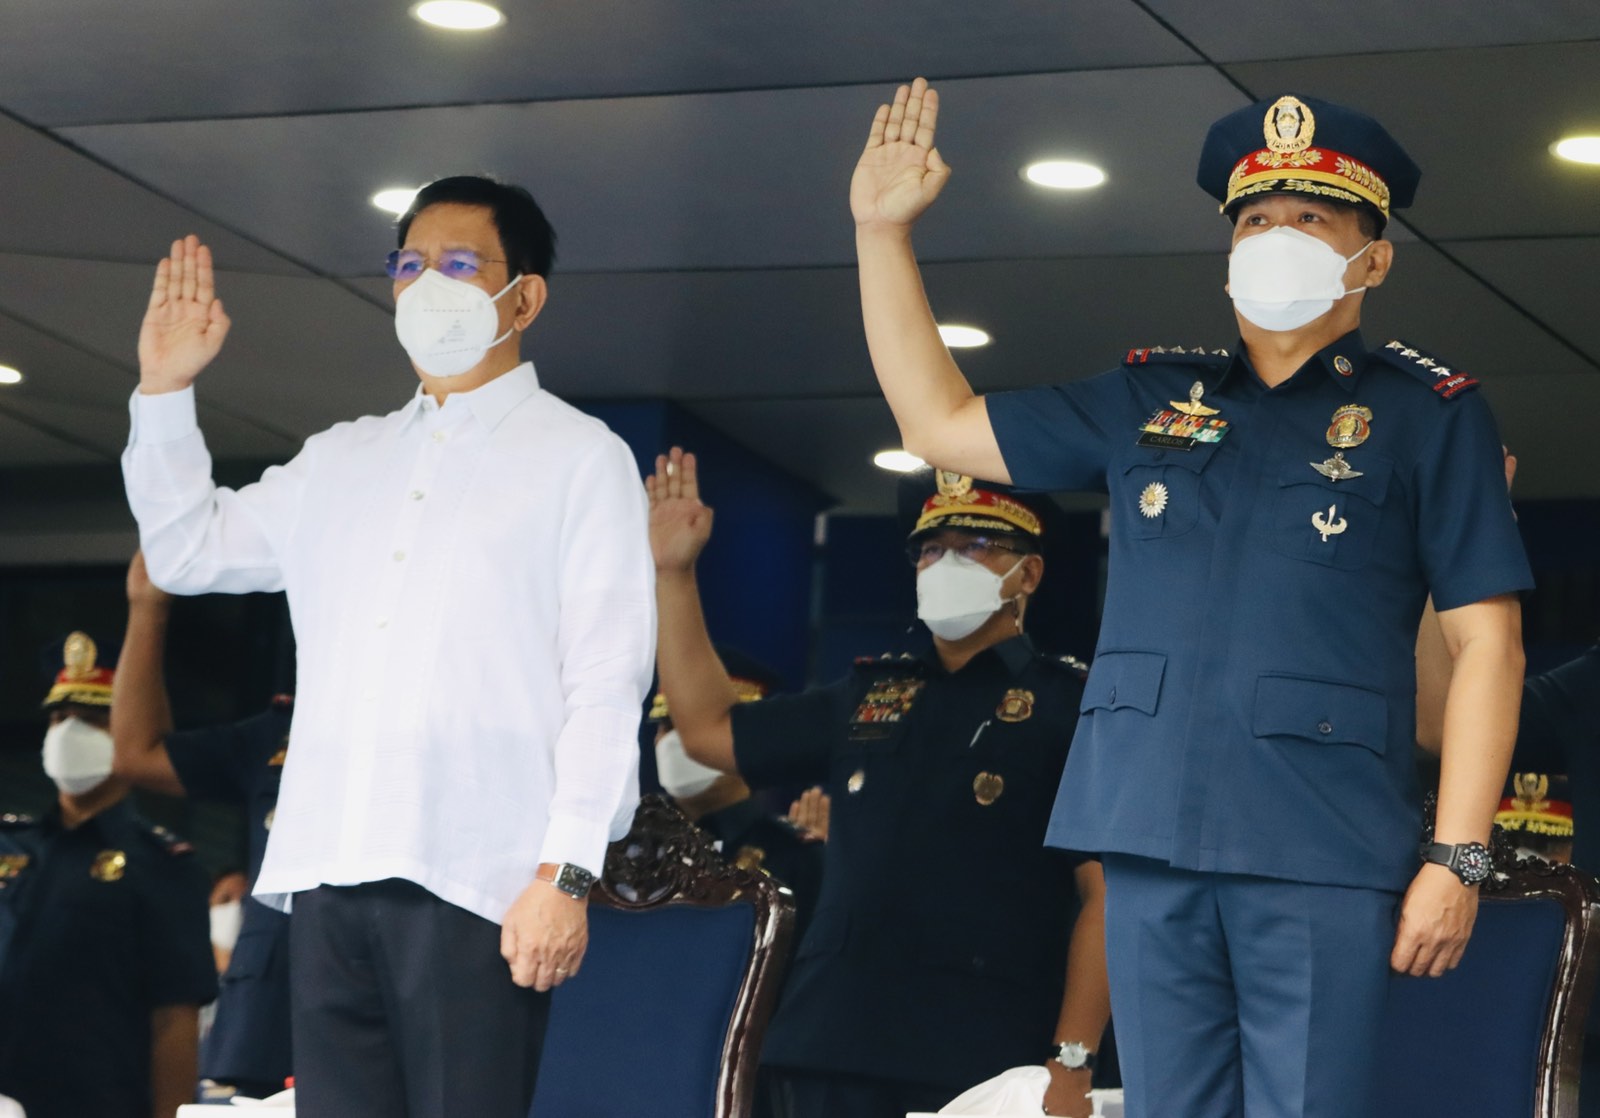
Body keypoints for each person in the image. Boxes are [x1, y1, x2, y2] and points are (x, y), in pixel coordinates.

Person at [849, 80, 1531, 1118]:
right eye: (1255, 219)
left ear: (1373, 257)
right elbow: (940, 421)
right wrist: (879, 235)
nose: (1276, 237)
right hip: (1147, 830)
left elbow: (1488, 645)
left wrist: (1458, 853)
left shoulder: (1427, 416)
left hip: (1318, 844)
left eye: (1310, 218)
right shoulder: (1147, 399)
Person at [122, 175, 656, 1118]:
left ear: (523, 297)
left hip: (478, 878)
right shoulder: (341, 458)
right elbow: (186, 549)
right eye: (410, 265)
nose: (427, 285)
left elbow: (608, 683)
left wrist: (565, 873)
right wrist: (165, 393)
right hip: (327, 866)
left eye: (460, 264)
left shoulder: (580, 456)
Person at [651, 448, 1110, 1118]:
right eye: (931, 550)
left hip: (978, 1052)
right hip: (826, 1042)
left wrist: (1073, 1063)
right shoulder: (867, 694)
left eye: (976, 545)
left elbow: (1105, 898)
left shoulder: (1073, 706)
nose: (945, 564)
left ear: (1028, 572)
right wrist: (675, 573)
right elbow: (707, 730)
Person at [0, 633, 217, 1118]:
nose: (67, 732)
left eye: (93, 720)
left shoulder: (162, 864)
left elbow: (174, 1021)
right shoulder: (12, 846)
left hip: (98, 1102)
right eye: (59, 718)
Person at [110, 550, 295, 1102]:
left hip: (392, 980)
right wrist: (149, 609)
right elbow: (137, 754)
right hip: (273, 1006)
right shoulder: (282, 732)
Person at [649, 654, 826, 943]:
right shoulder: (622, 844)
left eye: (696, 727)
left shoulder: (795, 859)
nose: (677, 740)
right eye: (667, 724)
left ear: (749, 742)